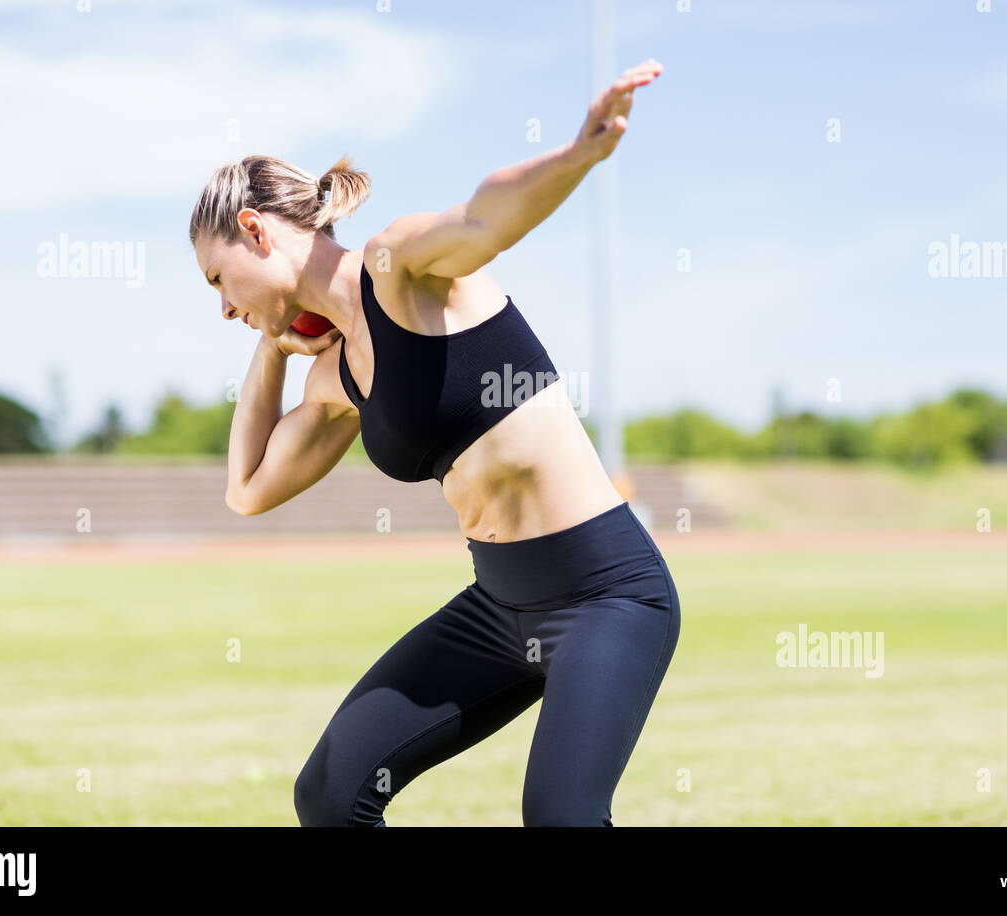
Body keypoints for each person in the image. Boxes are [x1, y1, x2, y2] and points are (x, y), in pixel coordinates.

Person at [189, 58, 679, 825]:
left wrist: (578, 153)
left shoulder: (398, 269)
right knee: (329, 794)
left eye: (219, 280)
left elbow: (487, 216)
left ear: (254, 230)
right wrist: (271, 345)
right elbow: (246, 490)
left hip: (605, 594)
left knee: (562, 815)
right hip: (498, 608)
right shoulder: (334, 379)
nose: (222, 308)